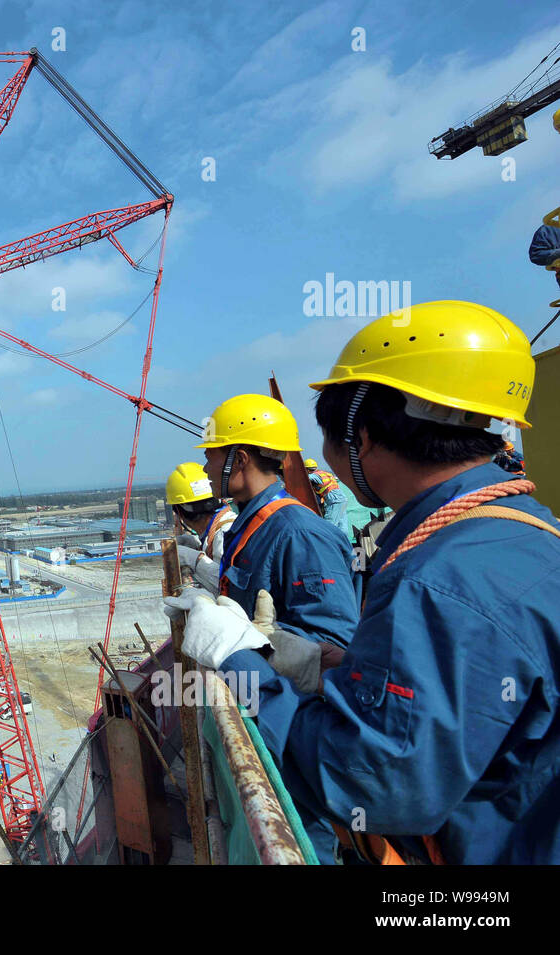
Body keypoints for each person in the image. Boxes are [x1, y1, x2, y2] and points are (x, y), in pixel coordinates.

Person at [166, 300, 560, 864]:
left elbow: (369, 783)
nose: (207, 471)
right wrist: (315, 663)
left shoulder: (436, 579)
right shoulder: (527, 533)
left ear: (362, 436)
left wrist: (239, 660)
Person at [191, 393, 359, 650]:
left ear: (239, 460)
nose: (205, 469)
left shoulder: (301, 536)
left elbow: (334, 645)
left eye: (209, 456)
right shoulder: (253, 527)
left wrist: (246, 636)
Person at [165, 461, 236, 594]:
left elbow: (230, 589)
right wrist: (197, 546)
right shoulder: (218, 532)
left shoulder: (225, 533)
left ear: (179, 512)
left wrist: (196, 560)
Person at [303, 458, 352, 537]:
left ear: (307, 470)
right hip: (342, 500)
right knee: (342, 526)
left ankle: (327, 545)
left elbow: (305, 478)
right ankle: (344, 544)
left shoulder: (315, 476)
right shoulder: (325, 473)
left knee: (328, 526)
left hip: (334, 502)